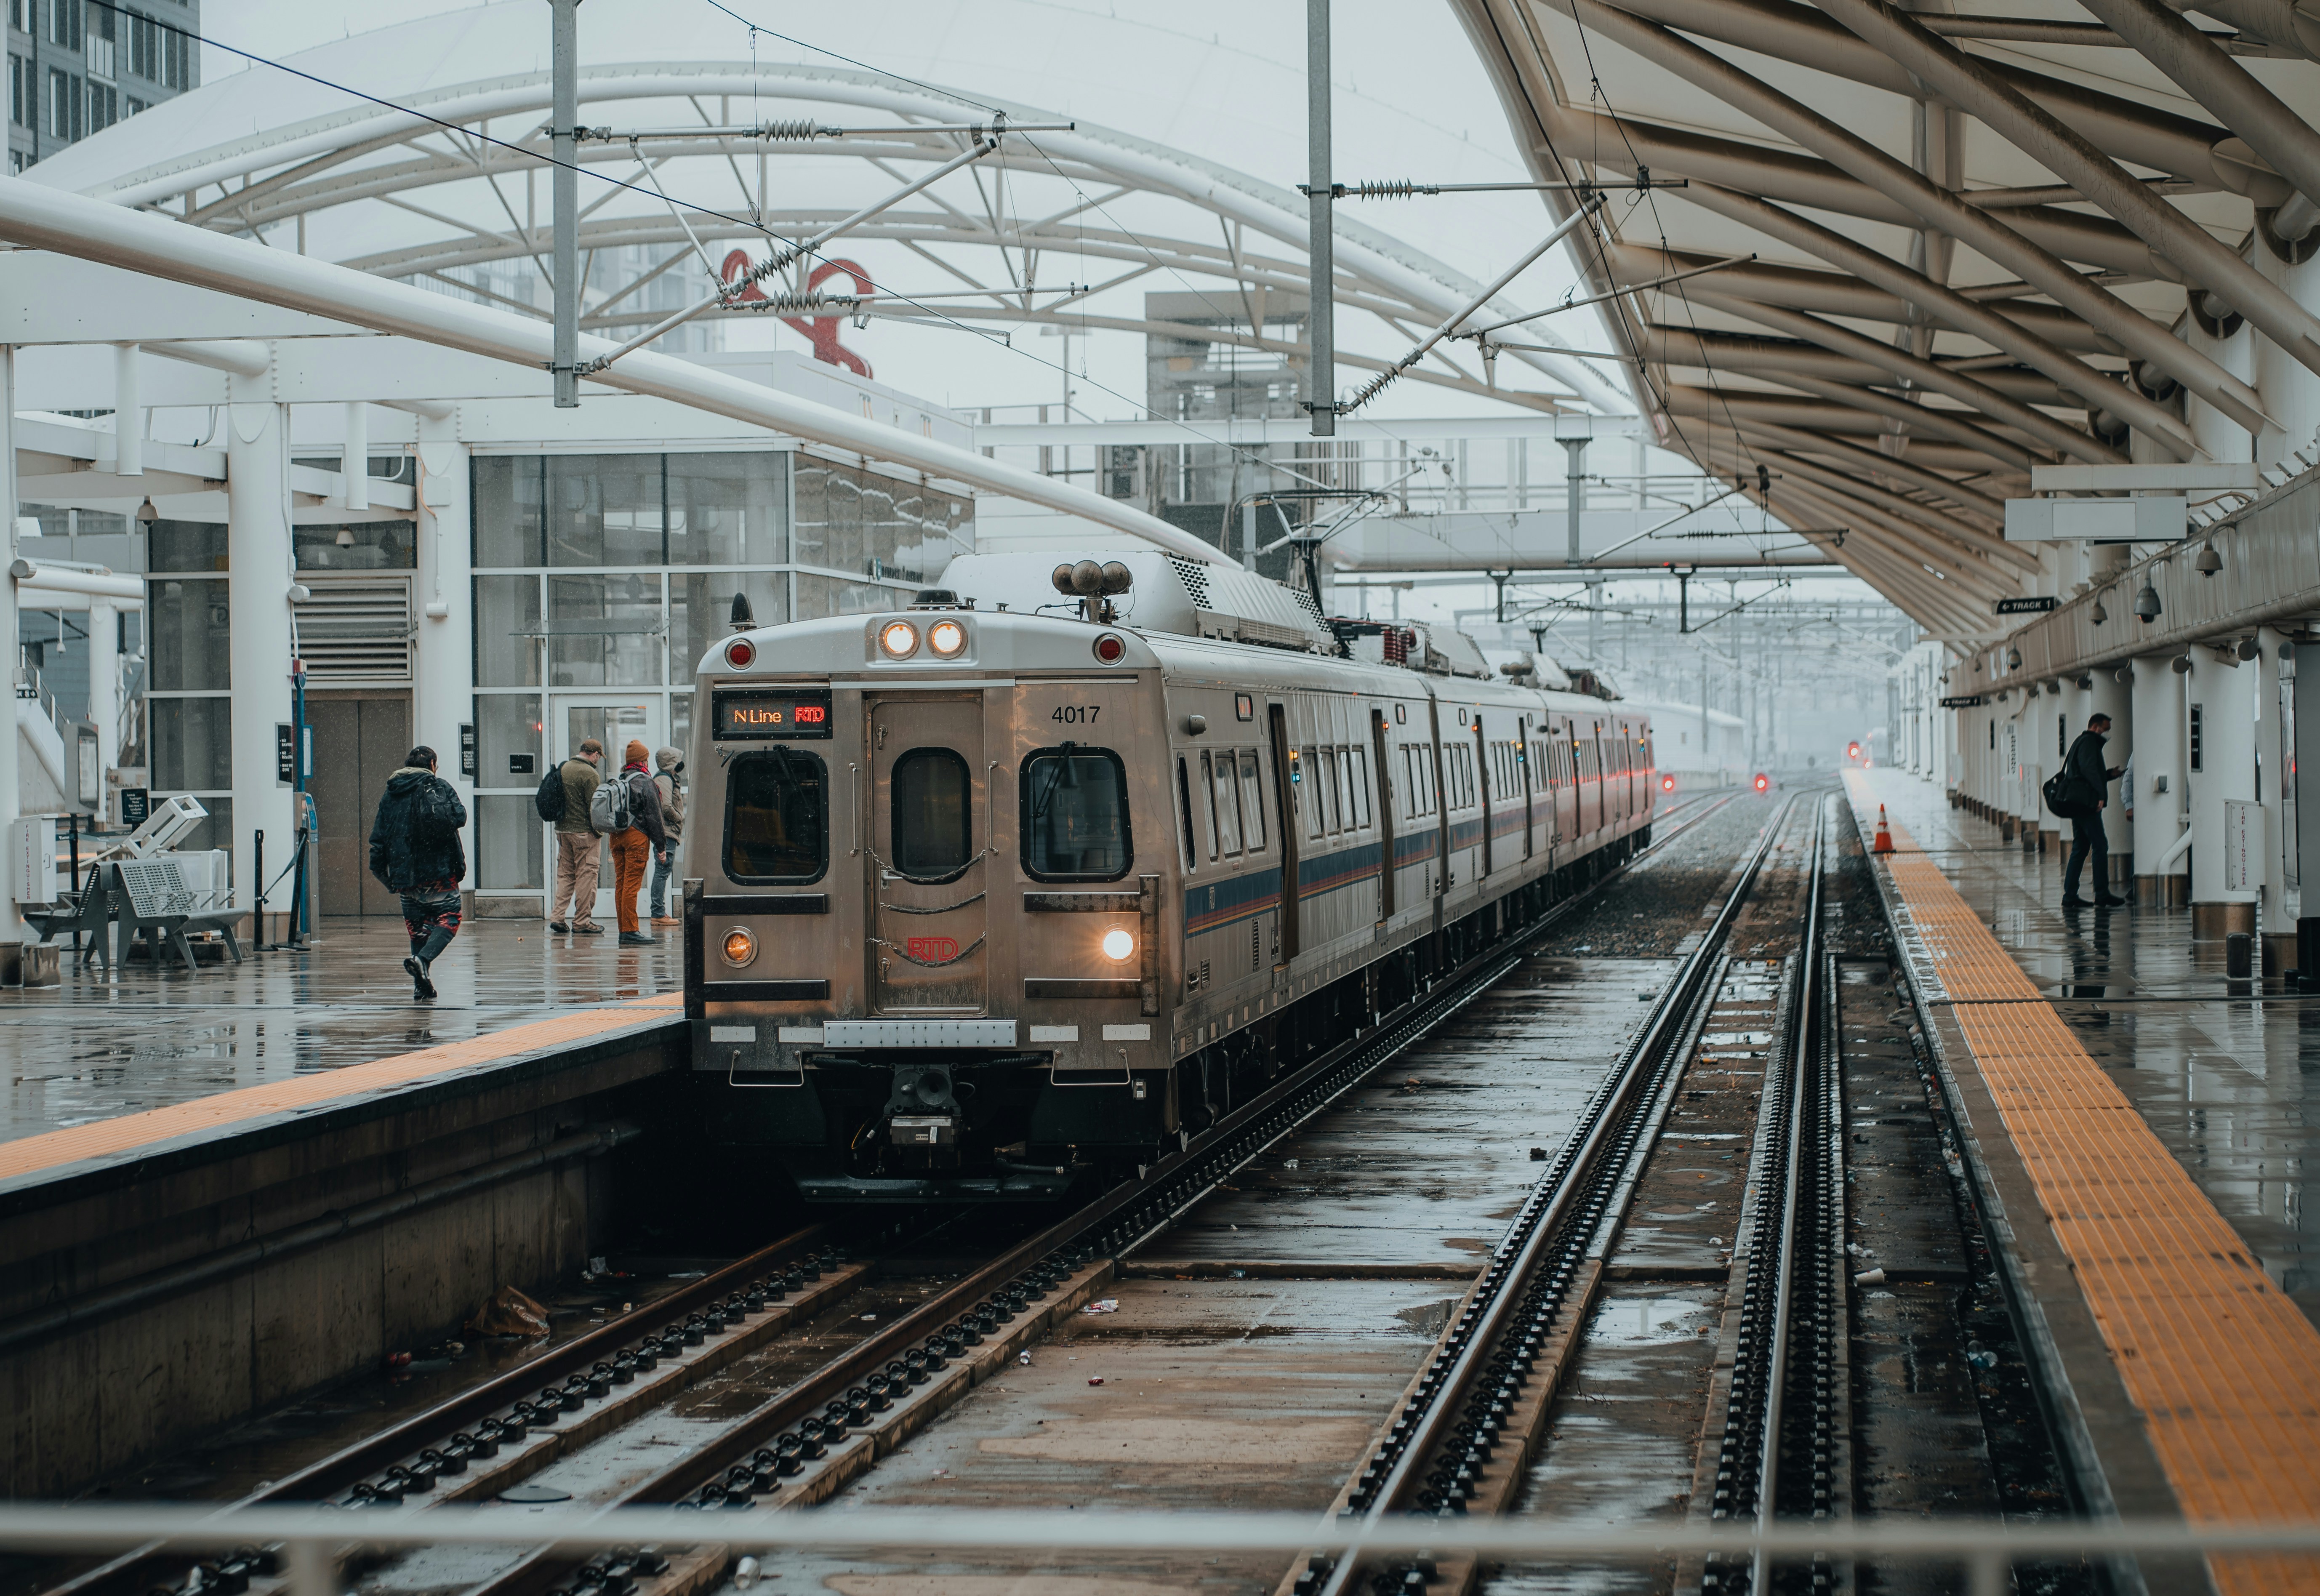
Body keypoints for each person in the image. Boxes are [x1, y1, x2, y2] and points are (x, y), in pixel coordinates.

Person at [367, 744, 468, 1001]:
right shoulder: (439, 786)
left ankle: (421, 986)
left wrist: (384, 874)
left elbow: (379, 836)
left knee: (419, 931)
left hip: (405, 877)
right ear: (432, 764)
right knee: (450, 917)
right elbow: (460, 816)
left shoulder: (392, 792)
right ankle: (422, 961)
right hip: (439, 872)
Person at [2061, 711, 2125, 909]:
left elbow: (2084, 773)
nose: (2106, 735)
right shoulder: (2089, 743)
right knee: (2100, 846)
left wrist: (2109, 775)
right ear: (2096, 727)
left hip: (2077, 803)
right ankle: (2102, 893)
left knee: (2080, 847)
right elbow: (2089, 770)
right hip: (2087, 804)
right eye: (2105, 730)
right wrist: (2100, 795)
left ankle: (2070, 895)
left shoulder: (2079, 742)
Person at [609, 738, 670, 946]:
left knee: (621, 883)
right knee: (632, 885)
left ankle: (623, 929)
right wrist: (661, 847)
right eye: (646, 759)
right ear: (643, 761)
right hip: (636, 838)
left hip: (616, 836)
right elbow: (655, 817)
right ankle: (631, 931)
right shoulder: (645, 782)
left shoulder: (621, 780)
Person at [549, 738, 605, 935]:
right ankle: (582, 921)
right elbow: (595, 808)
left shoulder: (564, 768)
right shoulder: (590, 774)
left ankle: (557, 917)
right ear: (595, 754)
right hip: (584, 834)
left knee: (565, 875)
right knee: (586, 876)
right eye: (599, 756)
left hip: (563, 832)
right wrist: (599, 832)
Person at [649, 746, 686, 927]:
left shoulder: (669, 778)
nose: (681, 763)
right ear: (672, 762)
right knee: (662, 871)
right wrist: (680, 817)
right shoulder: (664, 778)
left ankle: (658, 912)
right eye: (678, 760)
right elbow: (666, 807)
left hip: (668, 831)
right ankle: (658, 913)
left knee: (663, 870)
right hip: (667, 831)